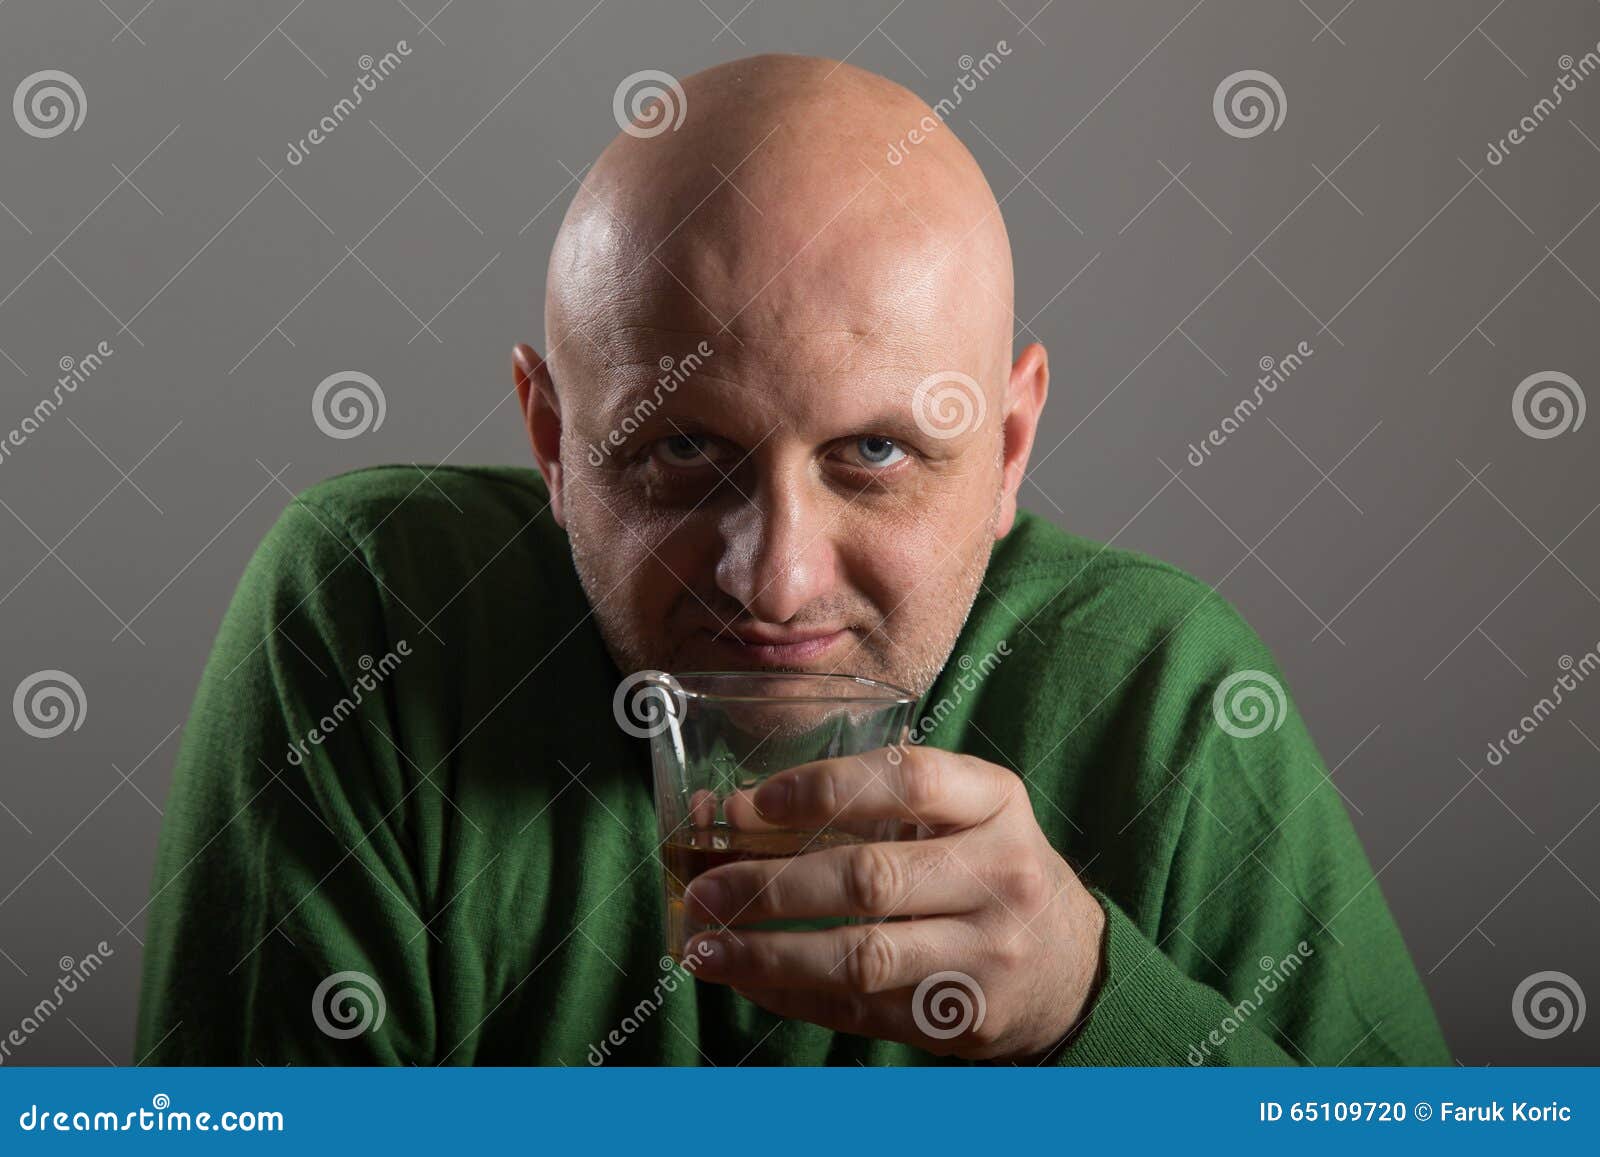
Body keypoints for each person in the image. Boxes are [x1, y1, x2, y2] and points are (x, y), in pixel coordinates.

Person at [135, 54, 1449, 1065]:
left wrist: (1087, 1002)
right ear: (551, 437)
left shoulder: (1165, 695)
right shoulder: (377, 618)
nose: (775, 583)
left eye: (873, 453)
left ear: (1005, 447)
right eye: (678, 454)